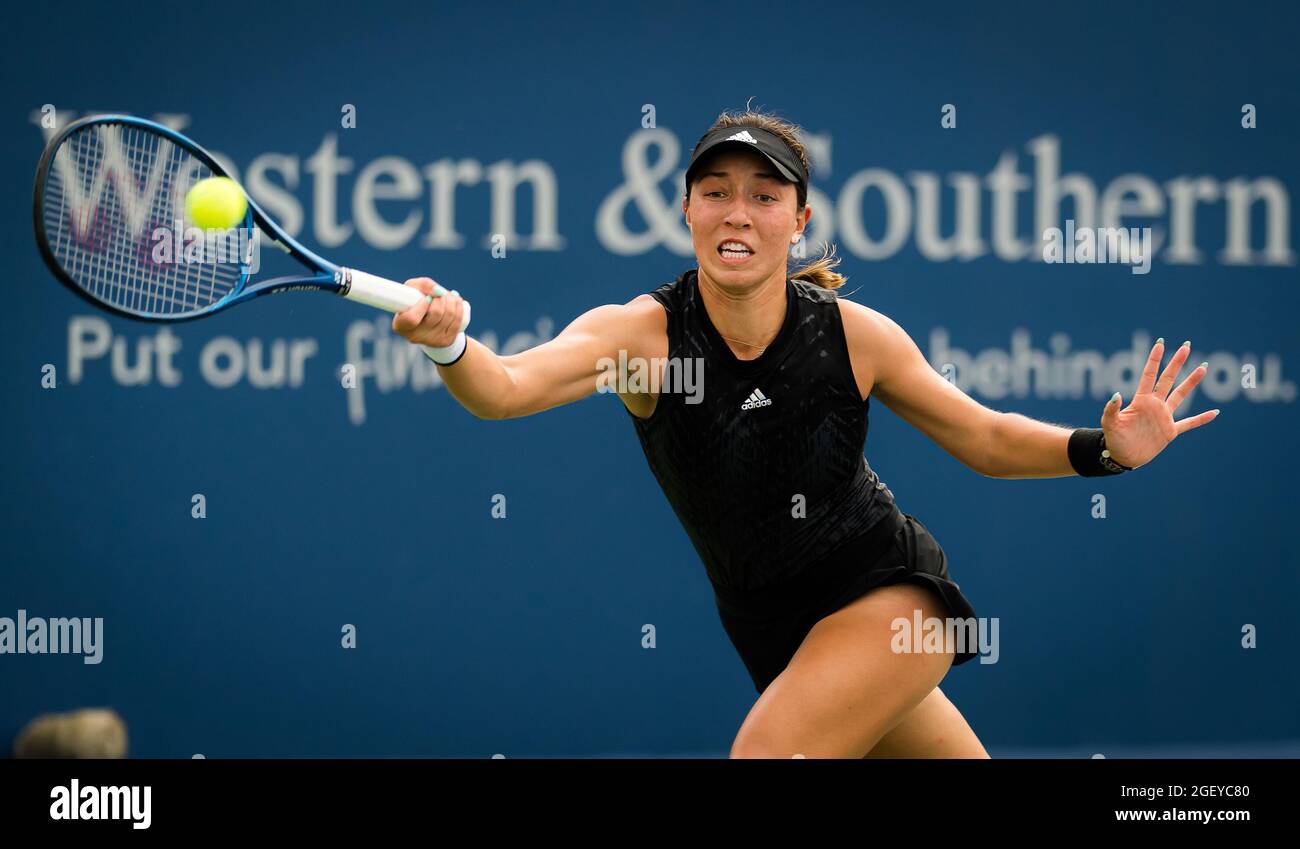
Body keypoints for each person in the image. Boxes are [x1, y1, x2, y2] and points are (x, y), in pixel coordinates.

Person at [391, 108, 1219, 758]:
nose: (736, 211)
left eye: (764, 193)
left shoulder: (858, 336)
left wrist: (1106, 450)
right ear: (686, 210)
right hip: (780, 640)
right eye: (715, 190)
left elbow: (988, 439)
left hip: (896, 604)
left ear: (799, 217)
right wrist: (452, 343)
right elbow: (501, 390)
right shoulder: (639, 337)